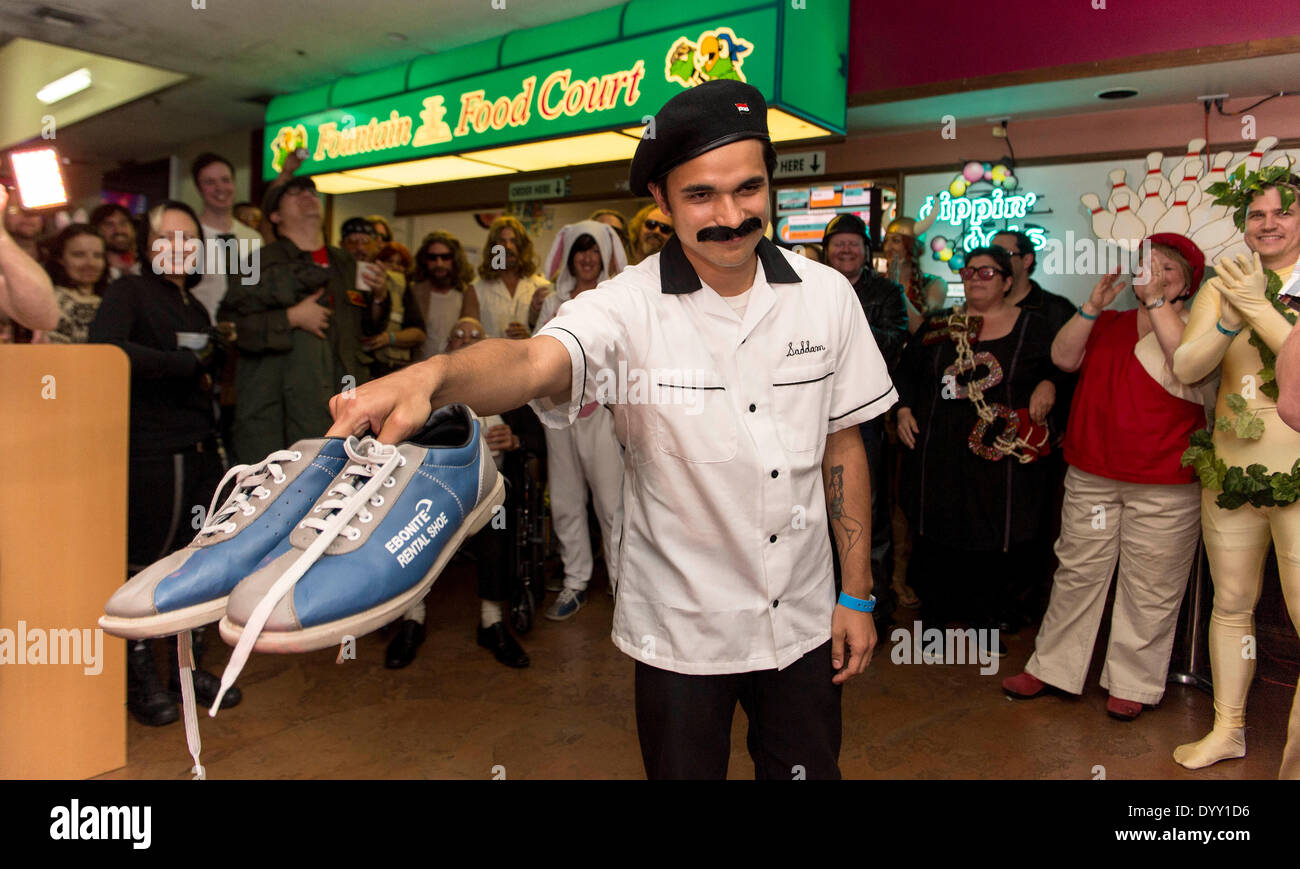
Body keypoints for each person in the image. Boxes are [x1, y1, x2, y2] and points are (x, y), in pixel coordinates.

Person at [327, 80, 889, 780]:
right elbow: (534, 360)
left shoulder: (827, 296)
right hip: (681, 633)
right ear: (660, 201)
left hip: (803, 622)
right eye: (700, 196)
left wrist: (856, 591)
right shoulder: (625, 307)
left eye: (749, 189)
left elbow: (843, 442)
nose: (731, 216)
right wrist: (435, 375)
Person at [1002, 234, 1217, 720]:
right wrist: (1092, 306)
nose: (1153, 273)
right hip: (1094, 473)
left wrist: (1158, 302)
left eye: (1168, 269)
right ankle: (1053, 667)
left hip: (1165, 481)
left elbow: (1187, 370)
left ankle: (1133, 682)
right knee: (1078, 572)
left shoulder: (1198, 329)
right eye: (1148, 265)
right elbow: (1062, 358)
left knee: (1151, 583)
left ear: (1187, 283)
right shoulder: (1111, 321)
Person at [87, 200, 241, 724]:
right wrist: (180, 363)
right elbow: (103, 350)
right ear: (147, 244)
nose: (180, 248)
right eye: (168, 237)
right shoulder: (128, 291)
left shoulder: (195, 305)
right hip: (152, 454)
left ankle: (185, 667)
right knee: (144, 568)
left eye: (189, 239)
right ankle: (140, 675)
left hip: (201, 449)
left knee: (194, 566)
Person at [1171, 171, 1300, 779]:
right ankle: (1228, 728)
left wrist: (1258, 307)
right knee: (1231, 603)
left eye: (1283, 212)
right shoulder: (1223, 284)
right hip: (1229, 471)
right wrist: (1227, 316)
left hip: (1298, 474)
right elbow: (1186, 365)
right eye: (1256, 214)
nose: (1268, 224)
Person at [895, 246, 1059, 654]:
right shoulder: (939, 325)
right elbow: (907, 373)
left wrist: (1049, 383)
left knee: (992, 537)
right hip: (939, 449)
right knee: (936, 532)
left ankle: (985, 624)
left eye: (987, 273)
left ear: (1008, 281)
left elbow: (1060, 367)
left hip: (999, 455)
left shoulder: (1034, 327)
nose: (975, 278)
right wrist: (902, 409)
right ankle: (934, 622)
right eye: (969, 272)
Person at [384, 324, 538, 670]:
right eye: (458, 335)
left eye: (475, 337)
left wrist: (515, 441)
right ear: (447, 346)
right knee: (405, 512)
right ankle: (413, 617)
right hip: (433, 493)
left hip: (490, 491)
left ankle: (491, 620)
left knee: (497, 512)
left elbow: (536, 439)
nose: (466, 341)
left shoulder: (510, 390)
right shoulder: (425, 391)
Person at [217, 179, 391, 464]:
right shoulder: (256, 262)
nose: (307, 196)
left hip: (341, 404)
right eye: (294, 193)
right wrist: (290, 318)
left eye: (311, 191)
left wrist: (380, 298)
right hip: (276, 413)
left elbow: (366, 330)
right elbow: (231, 329)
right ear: (275, 216)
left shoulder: (345, 262)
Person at [533, 221, 628, 621]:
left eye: (593, 250)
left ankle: (624, 586)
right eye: (580, 250)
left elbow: (628, 355)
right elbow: (536, 353)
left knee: (612, 504)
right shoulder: (551, 300)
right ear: (570, 256)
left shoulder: (618, 298)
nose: (587, 258)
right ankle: (575, 582)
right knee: (567, 499)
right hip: (558, 416)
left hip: (602, 416)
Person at [821, 213, 908, 627]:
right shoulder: (810, 289)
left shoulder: (887, 292)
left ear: (866, 251)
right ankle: (828, 601)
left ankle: (875, 606)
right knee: (820, 512)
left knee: (866, 508)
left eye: (854, 243)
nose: (846, 249)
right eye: (838, 243)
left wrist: (846, 318)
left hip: (867, 416)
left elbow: (895, 343)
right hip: (813, 414)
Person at [339, 217, 425, 378]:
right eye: (352, 242)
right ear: (341, 245)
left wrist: (380, 297)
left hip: (383, 370)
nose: (360, 248)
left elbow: (419, 332)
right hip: (341, 365)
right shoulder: (333, 278)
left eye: (366, 242)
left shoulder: (396, 283)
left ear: (377, 245)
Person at [189, 152, 264, 324]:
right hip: (202, 334)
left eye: (225, 180)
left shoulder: (252, 237)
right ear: (199, 189)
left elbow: (254, 289)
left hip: (246, 336)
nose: (220, 188)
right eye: (210, 182)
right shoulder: (188, 237)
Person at [458, 215, 550, 340]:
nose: (508, 246)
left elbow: (552, 337)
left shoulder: (541, 287)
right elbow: (467, 339)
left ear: (522, 247)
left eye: (513, 241)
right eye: (502, 241)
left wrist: (529, 338)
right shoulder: (476, 289)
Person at [0, 185, 58, 339]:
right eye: (15, 210)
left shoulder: (56, 261)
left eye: (33, 210)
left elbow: (45, 319)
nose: (27, 217)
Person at [35, 223, 108, 344]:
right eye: (79, 255)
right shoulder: (56, 301)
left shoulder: (113, 298)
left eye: (98, 255)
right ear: (60, 259)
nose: (90, 263)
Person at [410, 231, 474, 360]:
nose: (439, 264)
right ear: (425, 260)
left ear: (454, 259)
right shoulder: (415, 293)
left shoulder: (467, 293)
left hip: (457, 369)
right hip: (420, 370)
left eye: (445, 257)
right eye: (433, 258)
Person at [882, 217, 947, 333]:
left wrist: (896, 289)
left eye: (896, 241)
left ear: (912, 246)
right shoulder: (876, 283)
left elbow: (922, 330)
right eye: (886, 241)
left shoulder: (935, 284)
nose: (888, 247)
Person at [90, 203, 142, 281]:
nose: (118, 230)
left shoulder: (149, 269)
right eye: (109, 225)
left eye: (123, 223)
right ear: (96, 230)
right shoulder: (92, 273)